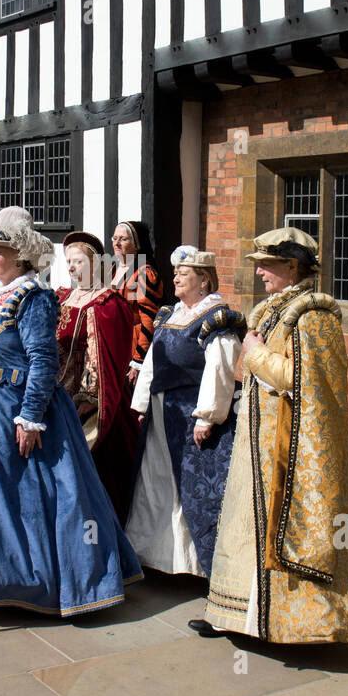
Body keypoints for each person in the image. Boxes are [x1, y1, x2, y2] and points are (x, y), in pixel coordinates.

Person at [0, 207, 143, 614]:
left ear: (20, 256)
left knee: (43, 497)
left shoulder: (34, 297)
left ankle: (53, 584)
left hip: (21, 408)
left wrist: (31, 416)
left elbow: (42, 359)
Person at [196, 227, 348, 644]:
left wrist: (254, 353)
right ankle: (231, 614)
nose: (259, 273)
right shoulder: (274, 310)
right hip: (257, 439)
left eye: (267, 264)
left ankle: (285, 622)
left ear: (293, 266)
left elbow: (304, 379)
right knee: (244, 524)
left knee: (273, 529)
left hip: (285, 447)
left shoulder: (313, 317)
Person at [125, 247, 244, 577]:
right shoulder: (169, 314)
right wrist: (141, 404)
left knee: (192, 490)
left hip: (193, 414)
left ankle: (196, 565)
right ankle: (156, 556)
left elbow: (220, 370)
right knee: (156, 482)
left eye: (184, 273)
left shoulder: (215, 319)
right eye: (175, 271)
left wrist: (207, 416)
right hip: (162, 414)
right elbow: (153, 361)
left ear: (203, 280)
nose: (175, 276)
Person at [55, 231, 138, 521]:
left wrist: (90, 396)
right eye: (68, 262)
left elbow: (108, 356)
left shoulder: (108, 304)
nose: (71, 267)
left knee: (99, 472)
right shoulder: (62, 297)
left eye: (77, 261)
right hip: (58, 397)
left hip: (95, 405)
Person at [109, 221, 166, 386]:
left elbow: (148, 320)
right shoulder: (111, 269)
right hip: (111, 342)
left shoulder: (144, 274)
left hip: (130, 345)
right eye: (115, 238)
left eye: (123, 239)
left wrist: (138, 360)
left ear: (137, 244)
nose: (117, 243)